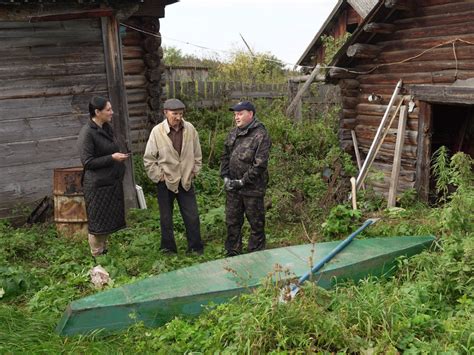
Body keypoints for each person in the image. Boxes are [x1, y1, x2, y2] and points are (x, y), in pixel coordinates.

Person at [143, 98, 204, 254]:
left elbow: (197, 154)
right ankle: (168, 249)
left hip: (186, 180)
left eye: (181, 113)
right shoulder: (157, 132)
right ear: (165, 113)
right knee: (166, 218)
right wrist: (159, 177)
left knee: (192, 216)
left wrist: (194, 171)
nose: (178, 117)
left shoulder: (190, 129)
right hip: (166, 181)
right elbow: (149, 159)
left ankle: (195, 248)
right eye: (174, 113)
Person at [77, 96, 129, 259]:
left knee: (107, 221)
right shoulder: (87, 133)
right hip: (96, 186)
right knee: (98, 224)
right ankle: (96, 256)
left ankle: (104, 253)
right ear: (97, 112)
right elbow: (87, 161)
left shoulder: (106, 128)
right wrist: (112, 158)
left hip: (109, 182)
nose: (112, 112)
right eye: (108, 110)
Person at [220, 100, 271, 256]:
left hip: (252, 189)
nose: (236, 117)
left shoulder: (260, 134)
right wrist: (225, 178)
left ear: (251, 114)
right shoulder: (233, 133)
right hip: (233, 189)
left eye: (240, 113)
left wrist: (242, 181)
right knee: (232, 222)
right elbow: (225, 156)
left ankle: (256, 255)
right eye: (235, 114)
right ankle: (232, 254)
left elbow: (260, 164)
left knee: (256, 223)